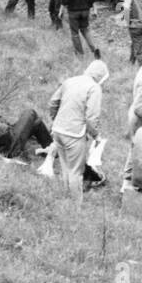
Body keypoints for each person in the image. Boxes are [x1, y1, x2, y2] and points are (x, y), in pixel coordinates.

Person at [48, 59, 109, 193]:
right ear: (100, 77)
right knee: (76, 172)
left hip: (58, 130)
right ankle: (75, 208)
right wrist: (96, 135)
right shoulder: (94, 88)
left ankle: (65, 199)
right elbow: (91, 117)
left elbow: (53, 103)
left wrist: (56, 120)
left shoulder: (70, 81)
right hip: (74, 134)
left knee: (66, 168)